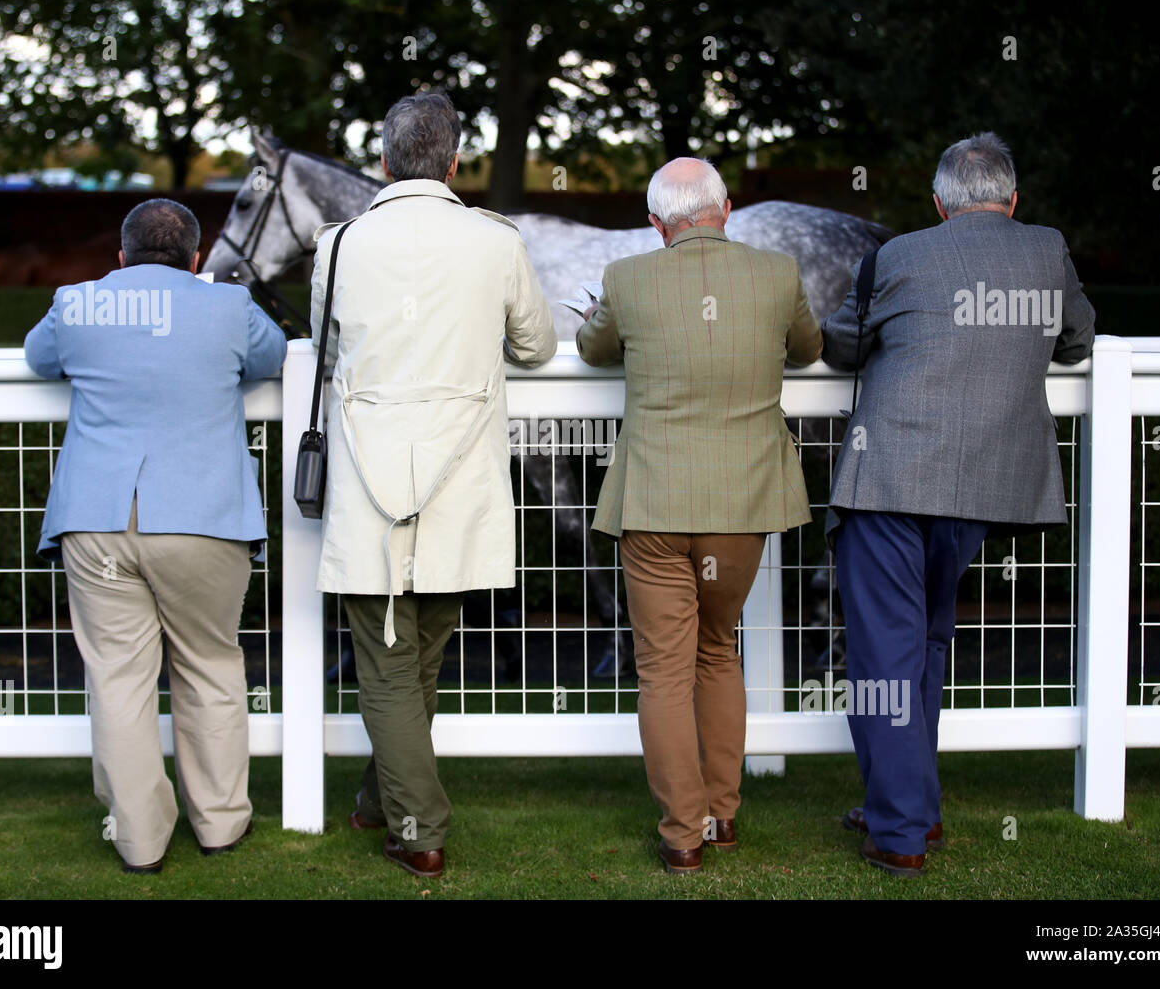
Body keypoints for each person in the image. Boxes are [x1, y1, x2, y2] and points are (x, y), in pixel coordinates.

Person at [822, 132, 1095, 876]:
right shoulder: (1048, 249)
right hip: (981, 485)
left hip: (888, 478)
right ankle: (913, 806)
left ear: (939, 205)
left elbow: (842, 345)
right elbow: (1076, 341)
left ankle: (900, 832)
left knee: (886, 655)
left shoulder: (899, 255)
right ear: (1012, 200)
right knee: (926, 646)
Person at [312, 90, 556, 878]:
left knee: (391, 661)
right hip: (460, 482)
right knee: (416, 659)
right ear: (454, 163)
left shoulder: (340, 244)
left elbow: (325, 343)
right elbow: (538, 343)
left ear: (383, 161)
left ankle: (410, 821)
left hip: (372, 484)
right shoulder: (496, 240)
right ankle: (399, 809)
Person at [24, 198, 286, 873]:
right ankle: (221, 823)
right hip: (204, 517)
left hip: (98, 518)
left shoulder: (76, 302)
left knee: (118, 678)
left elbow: (38, 358)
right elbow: (272, 357)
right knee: (210, 665)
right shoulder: (228, 306)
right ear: (195, 258)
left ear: (121, 255)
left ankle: (138, 838)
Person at [577, 157, 822, 874]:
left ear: (658, 223)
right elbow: (809, 349)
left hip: (653, 501)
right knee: (717, 651)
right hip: (740, 506)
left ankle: (683, 834)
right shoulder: (776, 273)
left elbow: (594, 349)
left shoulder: (627, 276)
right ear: (727, 208)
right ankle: (722, 817)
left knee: (663, 672)